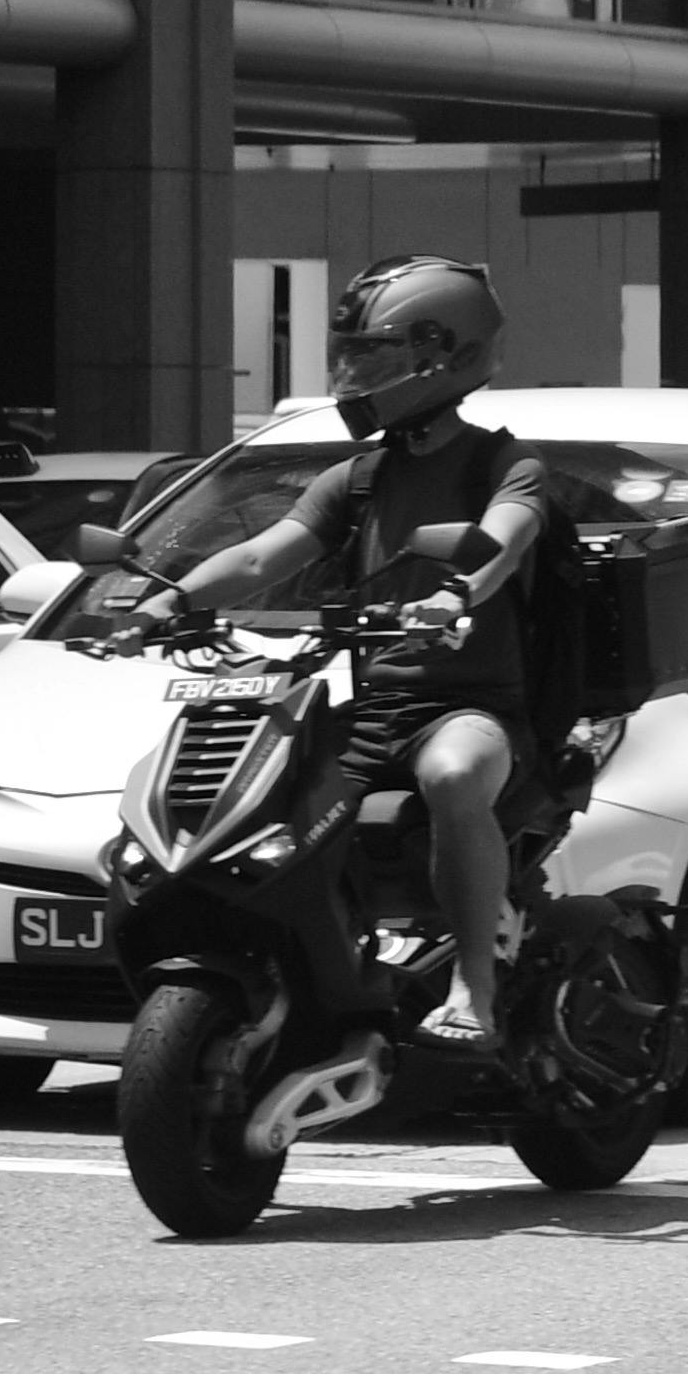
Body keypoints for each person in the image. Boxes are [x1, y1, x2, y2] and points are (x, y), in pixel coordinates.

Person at [126, 255, 545, 1055]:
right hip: (375, 707)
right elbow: (258, 559)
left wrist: (454, 595)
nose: (355, 379)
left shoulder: (504, 463)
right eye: (350, 358)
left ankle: (475, 992)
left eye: (375, 360)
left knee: (454, 775)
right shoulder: (356, 478)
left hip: (471, 706)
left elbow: (504, 540)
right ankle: (305, 972)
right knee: (259, 795)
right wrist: (167, 601)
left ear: (447, 356)